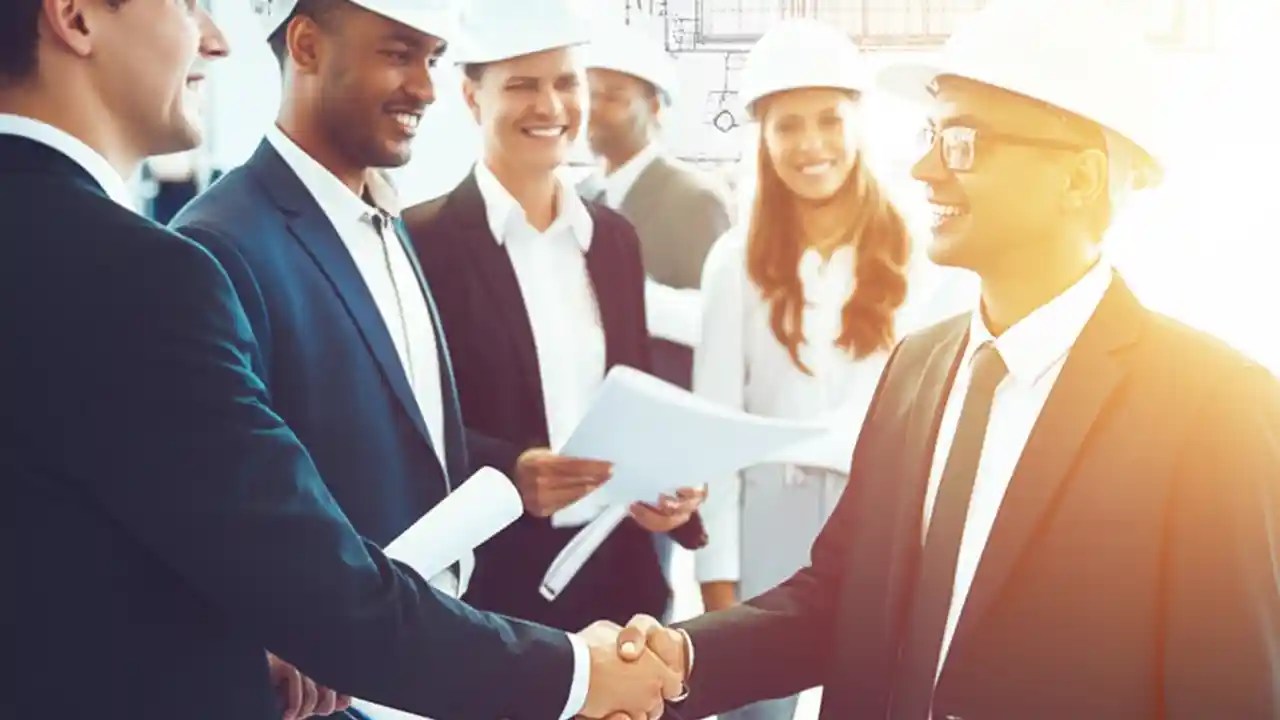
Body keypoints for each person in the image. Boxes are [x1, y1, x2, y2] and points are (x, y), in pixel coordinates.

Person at [0, 0, 680, 717]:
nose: (215, 39)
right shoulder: (172, 262)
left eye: (433, 59)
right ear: (74, 18)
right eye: (187, 2)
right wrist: (573, 674)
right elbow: (280, 552)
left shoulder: (386, 225)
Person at [610, 1, 1280, 718]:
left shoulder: (1217, 408)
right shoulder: (919, 368)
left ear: (1080, 180)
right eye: (933, 134)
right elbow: (841, 598)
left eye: (964, 142)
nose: (926, 168)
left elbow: (1228, 692)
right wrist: (685, 656)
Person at [401, 0, 708, 636]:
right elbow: (406, 422)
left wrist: (669, 488)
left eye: (566, 82)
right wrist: (509, 472)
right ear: (470, 96)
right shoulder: (420, 241)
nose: (550, 106)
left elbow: (634, 393)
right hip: (491, 590)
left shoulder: (615, 240)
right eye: (521, 85)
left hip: (619, 580)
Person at [690, 19, 912, 720]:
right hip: (769, 515)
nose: (811, 145)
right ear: (762, 137)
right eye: (788, 126)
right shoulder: (735, 260)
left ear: (859, 126)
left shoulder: (916, 252)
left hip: (881, 516)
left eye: (829, 120)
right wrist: (717, 577)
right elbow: (715, 426)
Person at [583, 26, 732, 391]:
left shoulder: (695, 198)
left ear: (654, 107)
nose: (595, 110)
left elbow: (720, 326)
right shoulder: (582, 197)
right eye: (589, 96)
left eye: (612, 98)